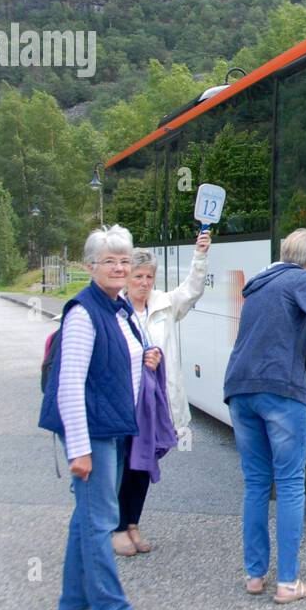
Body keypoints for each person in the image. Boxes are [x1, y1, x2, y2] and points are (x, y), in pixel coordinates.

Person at [37, 224, 161, 610]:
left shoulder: (118, 307)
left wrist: (147, 358)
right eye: (110, 261)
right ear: (91, 266)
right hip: (92, 431)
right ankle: (113, 608)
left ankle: (74, 604)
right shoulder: (83, 313)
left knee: (87, 518)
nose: (120, 268)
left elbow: (118, 361)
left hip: (112, 425)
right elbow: (69, 383)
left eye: (125, 260)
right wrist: (79, 448)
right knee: (101, 521)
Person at [223, 228, 306, 603]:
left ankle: (255, 575)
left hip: (240, 389)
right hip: (279, 390)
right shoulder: (302, 278)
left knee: (257, 484)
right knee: (291, 484)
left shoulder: (261, 284)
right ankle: (288, 583)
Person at [112, 230, 211, 556]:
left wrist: (200, 255)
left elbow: (192, 290)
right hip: (124, 403)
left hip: (153, 405)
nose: (144, 282)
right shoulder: (115, 310)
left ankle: (133, 524)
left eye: (149, 277)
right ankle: (117, 527)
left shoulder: (165, 306)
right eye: (138, 276)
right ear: (127, 278)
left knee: (143, 464)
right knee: (123, 465)